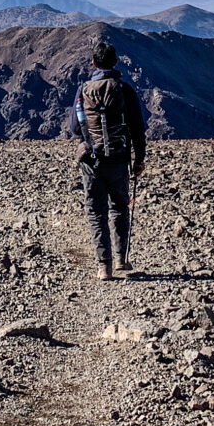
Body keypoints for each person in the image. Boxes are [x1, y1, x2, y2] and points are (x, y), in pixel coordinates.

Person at [71, 38, 147, 280]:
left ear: (94, 63)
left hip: (92, 162)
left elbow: (74, 127)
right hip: (119, 159)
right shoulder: (124, 90)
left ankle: (104, 266)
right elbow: (137, 128)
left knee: (96, 212)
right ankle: (121, 260)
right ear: (115, 63)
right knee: (119, 208)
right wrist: (139, 159)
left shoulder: (83, 91)